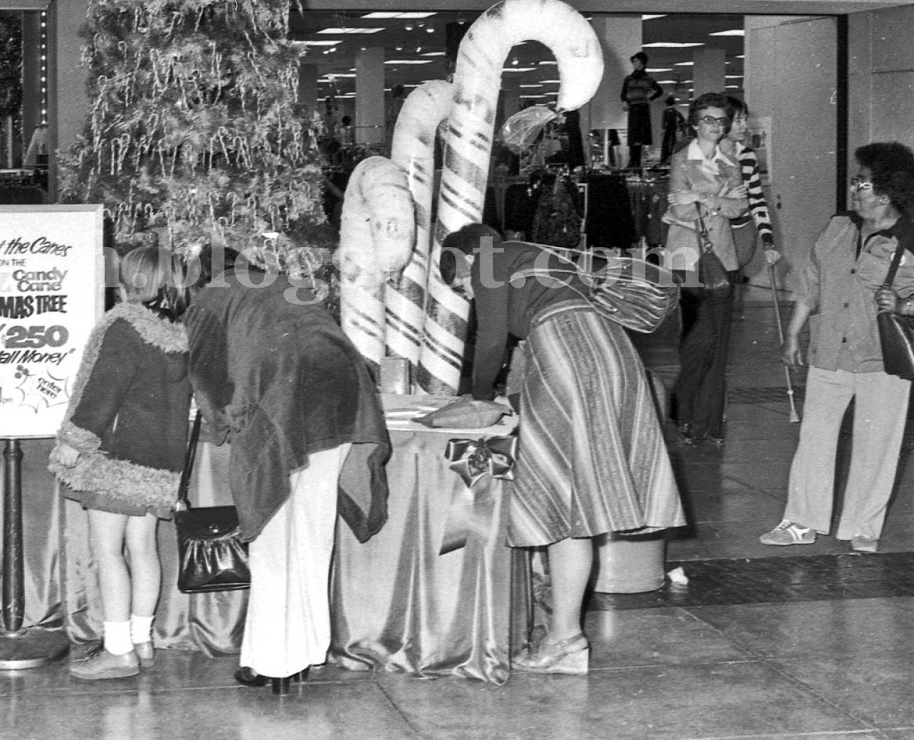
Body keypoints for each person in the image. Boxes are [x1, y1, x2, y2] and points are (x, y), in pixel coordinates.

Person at [441, 225, 684, 675]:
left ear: (465, 257)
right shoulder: (535, 257)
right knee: (575, 505)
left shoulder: (490, 258)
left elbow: (493, 339)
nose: (471, 296)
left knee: (565, 502)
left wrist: (476, 398)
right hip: (609, 350)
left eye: (462, 285)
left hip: (567, 350)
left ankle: (566, 640)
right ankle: (564, 637)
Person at [183, 247, 389, 696]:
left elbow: (205, 378)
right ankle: (304, 656)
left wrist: (220, 426)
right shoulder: (285, 285)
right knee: (313, 536)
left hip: (281, 406)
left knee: (274, 539)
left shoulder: (209, 297)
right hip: (342, 404)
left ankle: (273, 664)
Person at [761, 143, 914, 554]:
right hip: (828, 352)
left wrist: (905, 304)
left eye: (860, 181)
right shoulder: (837, 228)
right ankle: (801, 521)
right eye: (854, 180)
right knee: (814, 438)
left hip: (883, 359)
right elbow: (811, 285)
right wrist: (793, 334)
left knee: (877, 443)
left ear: (885, 191)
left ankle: (863, 527)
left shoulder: (909, 239)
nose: (853, 189)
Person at [49, 246, 192, 682]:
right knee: (143, 548)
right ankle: (140, 638)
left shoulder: (124, 325)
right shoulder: (181, 332)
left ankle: (117, 651)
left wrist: (73, 441)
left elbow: (100, 390)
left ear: (132, 279)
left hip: (116, 458)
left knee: (108, 552)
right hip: (161, 461)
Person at [664, 92, 748, 444]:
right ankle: (684, 414)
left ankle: (707, 423)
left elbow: (740, 205)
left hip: (723, 258)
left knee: (718, 342)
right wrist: (719, 199)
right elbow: (679, 212)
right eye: (708, 119)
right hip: (687, 260)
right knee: (699, 340)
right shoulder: (681, 160)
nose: (716, 126)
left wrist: (702, 198)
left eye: (721, 120)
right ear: (695, 123)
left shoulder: (732, 159)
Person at [720, 97, 783, 274]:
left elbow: (757, 202)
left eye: (745, 119)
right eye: (738, 120)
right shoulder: (702, 157)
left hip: (741, 235)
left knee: (728, 290)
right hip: (712, 233)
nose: (745, 126)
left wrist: (768, 243)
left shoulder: (748, 156)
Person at [620, 51, 664, 169]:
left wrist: (650, 98)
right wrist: (625, 102)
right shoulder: (629, 79)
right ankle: (632, 159)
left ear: (642, 63)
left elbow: (659, 91)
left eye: (636, 61)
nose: (634, 63)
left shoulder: (648, 79)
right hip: (633, 107)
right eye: (633, 61)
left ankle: (637, 161)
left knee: (640, 134)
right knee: (633, 134)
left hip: (643, 107)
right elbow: (623, 93)